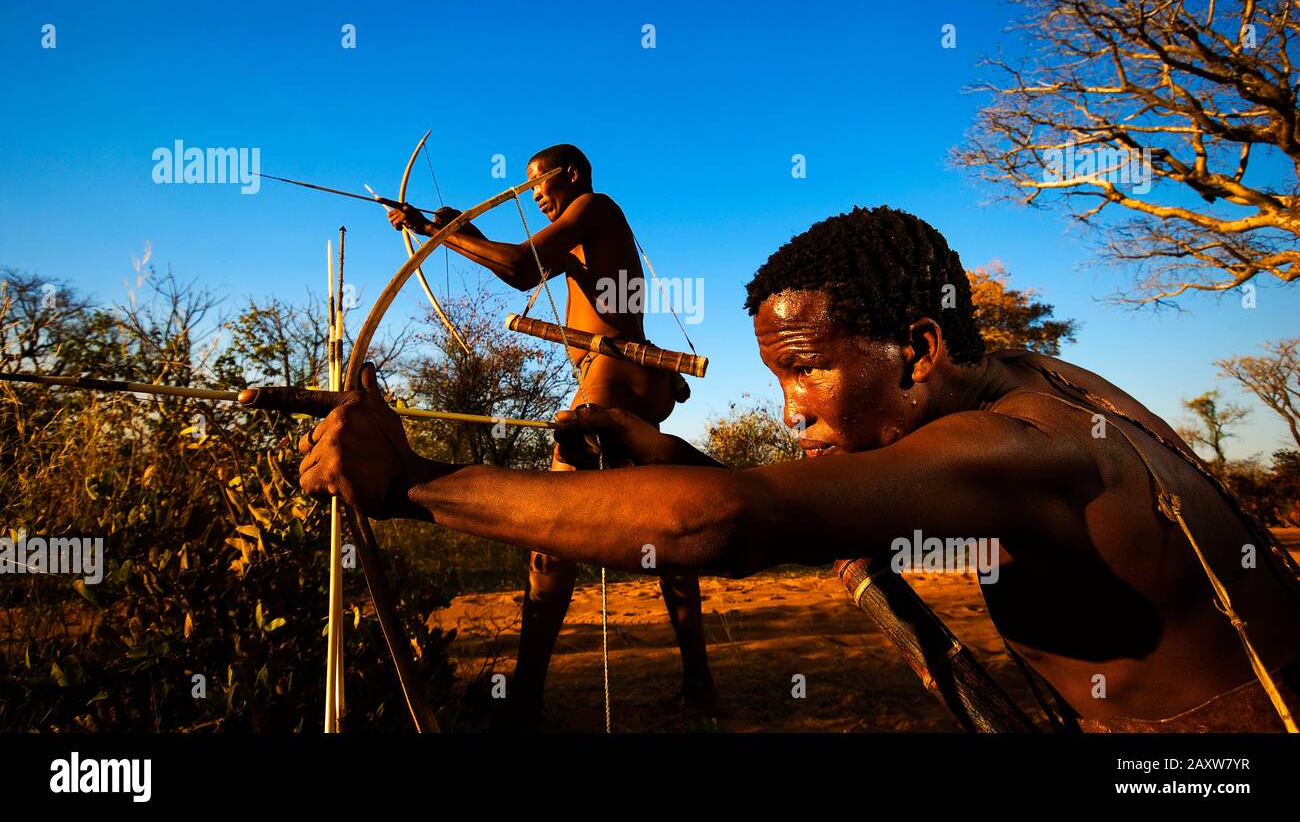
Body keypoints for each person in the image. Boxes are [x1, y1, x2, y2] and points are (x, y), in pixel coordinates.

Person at [305, 204, 1299, 732]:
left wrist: (415, 485)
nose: (788, 410)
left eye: (807, 371)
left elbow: (724, 522)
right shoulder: (1045, 383)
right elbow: (777, 505)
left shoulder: (1014, 451)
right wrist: (662, 458)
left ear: (915, 349)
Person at [385, 143, 717, 725]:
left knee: (553, 536)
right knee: (665, 524)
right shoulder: (582, 234)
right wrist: (462, 229)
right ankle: (699, 686)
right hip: (632, 380)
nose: (535, 195)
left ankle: (526, 696)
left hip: (609, 382)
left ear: (572, 174)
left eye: (540, 183)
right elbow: (523, 260)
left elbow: (515, 269)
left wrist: (434, 233)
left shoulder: (594, 206)